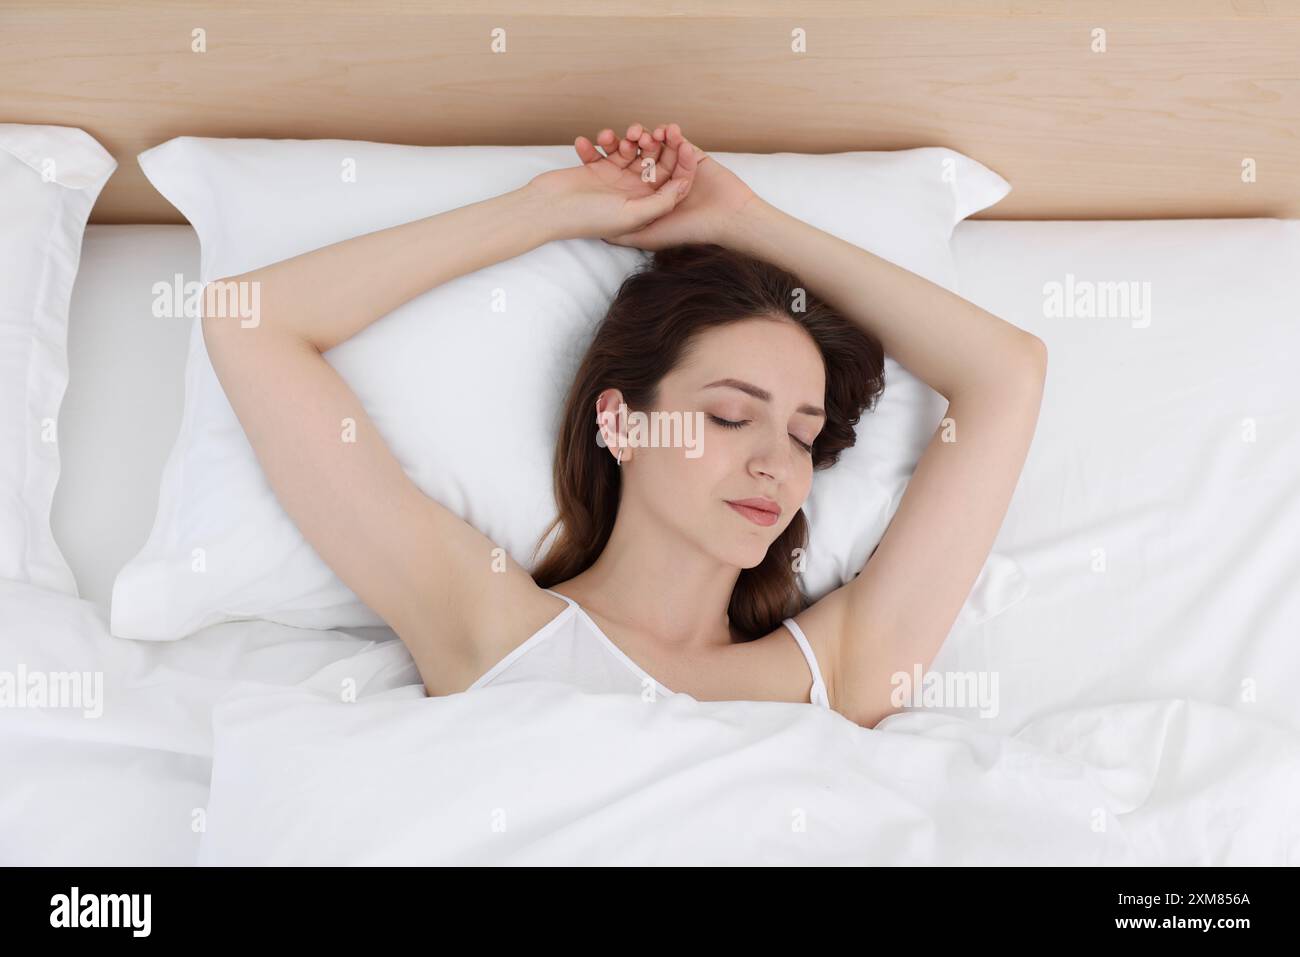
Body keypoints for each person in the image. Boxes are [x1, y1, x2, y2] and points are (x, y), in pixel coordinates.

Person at [202, 122, 1047, 729]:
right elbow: (248, 322)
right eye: (728, 414)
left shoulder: (841, 671)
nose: (775, 466)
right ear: (621, 422)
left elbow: (1006, 373)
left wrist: (746, 223)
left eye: (800, 434)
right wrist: (545, 211)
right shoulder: (491, 629)